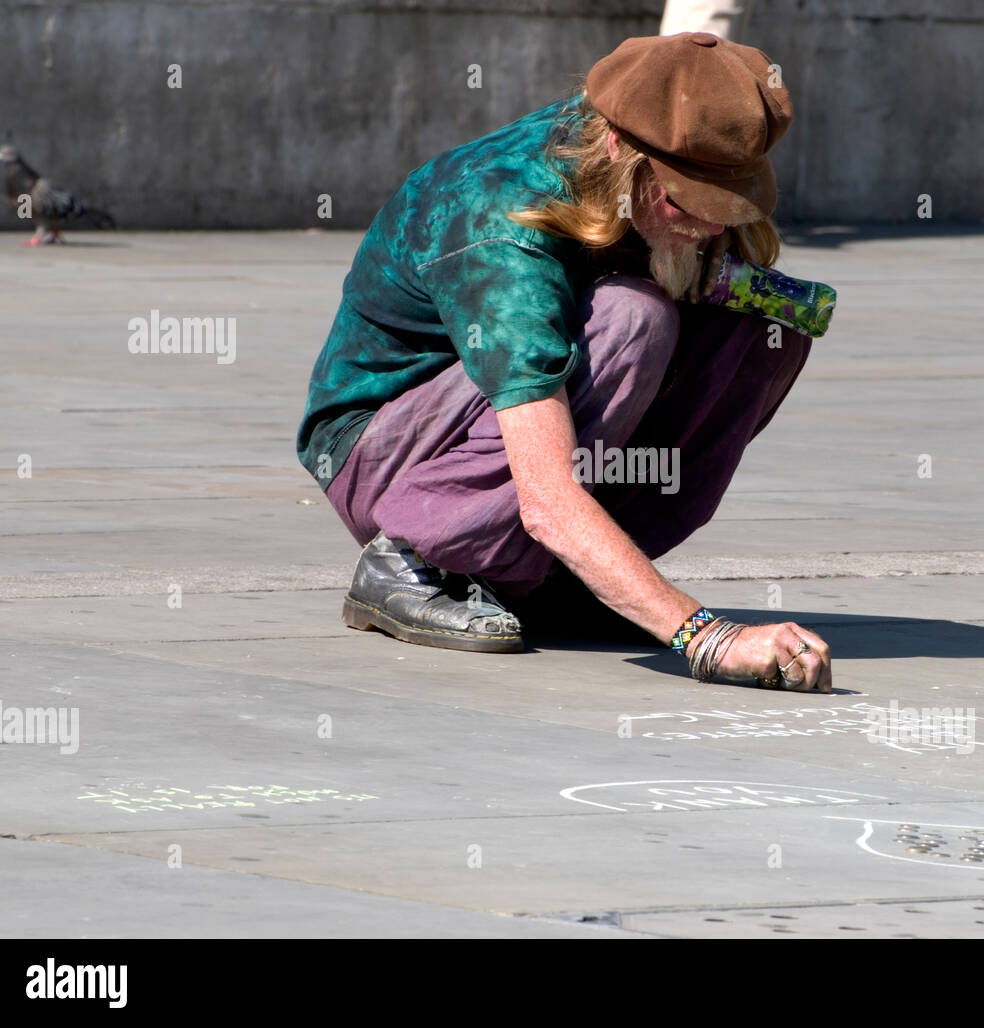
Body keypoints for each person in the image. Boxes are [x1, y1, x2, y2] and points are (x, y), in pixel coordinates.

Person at [297, 32, 831, 692]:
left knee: (759, 326)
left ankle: (562, 574)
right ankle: (410, 557)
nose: (707, 226)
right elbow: (548, 495)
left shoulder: (628, 154)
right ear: (619, 150)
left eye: (726, 206)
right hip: (384, 454)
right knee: (634, 320)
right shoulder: (501, 218)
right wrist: (702, 634)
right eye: (682, 201)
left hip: (495, 430)